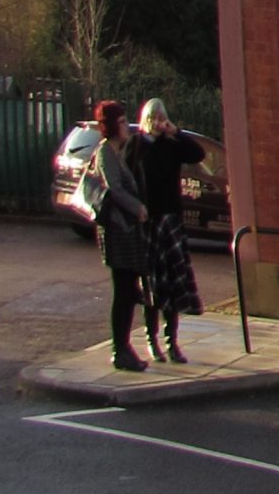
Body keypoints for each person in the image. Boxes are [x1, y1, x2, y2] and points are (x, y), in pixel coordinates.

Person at [133, 98, 207, 362]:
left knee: (173, 283)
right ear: (145, 119)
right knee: (152, 285)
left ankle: (171, 340)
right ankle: (151, 339)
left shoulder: (170, 145)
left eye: (161, 118)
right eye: (153, 118)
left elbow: (198, 154)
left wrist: (175, 132)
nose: (157, 123)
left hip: (170, 219)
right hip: (148, 222)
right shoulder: (138, 146)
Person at [85, 100, 152, 371]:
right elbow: (114, 189)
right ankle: (120, 349)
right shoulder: (105, 153)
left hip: (126, 230)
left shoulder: (116, 151)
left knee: (128, 289)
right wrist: (138, 208)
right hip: (117, 231)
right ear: (112, 125)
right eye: (122, 121)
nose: (127, 126)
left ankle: (123, 348)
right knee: (123, 291)